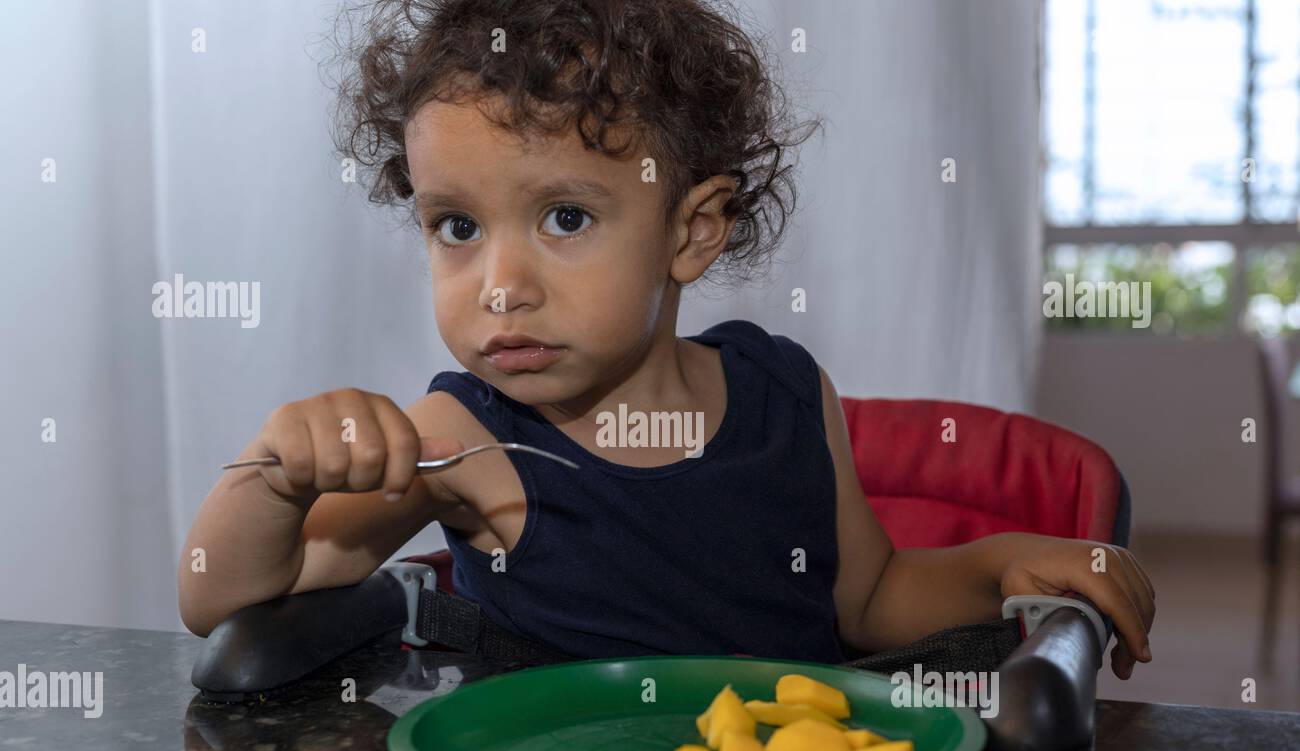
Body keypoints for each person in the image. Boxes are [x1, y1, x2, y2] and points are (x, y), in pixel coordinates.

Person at [178, 0, 1154, 679]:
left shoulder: (785, 394)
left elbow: (875, 598)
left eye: (564, 218)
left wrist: (999, 563)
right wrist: (270, 477)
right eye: (456, 226)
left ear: (690, 231)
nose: (501, 286)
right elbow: (222, 604)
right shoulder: (457, 437)